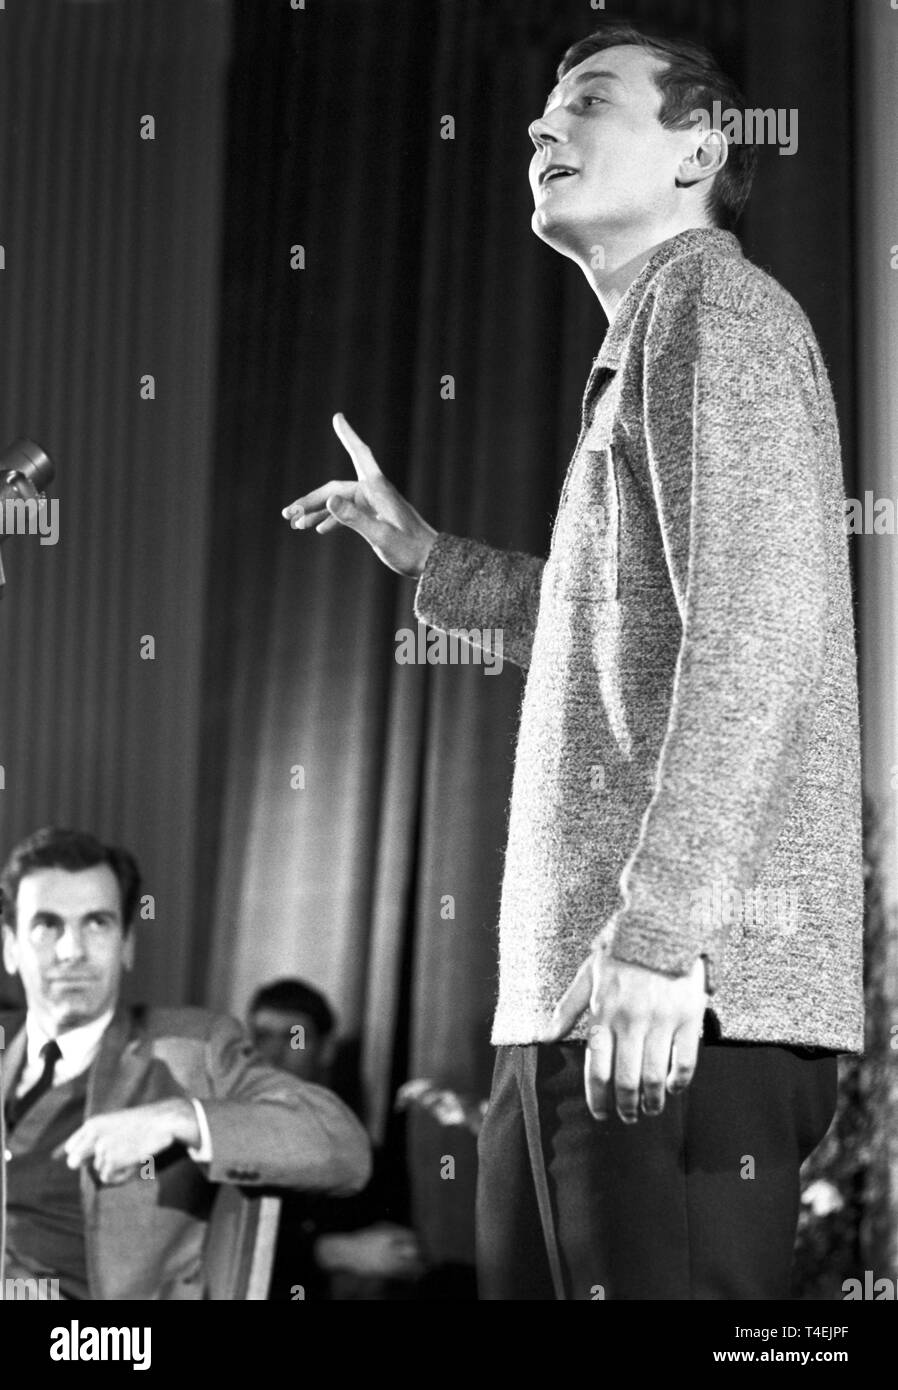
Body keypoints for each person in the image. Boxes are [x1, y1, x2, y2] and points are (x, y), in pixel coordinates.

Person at [282, 23, 863, 1300]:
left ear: (699, 149)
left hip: (671, 1001)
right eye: (539, 115)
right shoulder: (655, 334)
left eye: (589, 103)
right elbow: (610, 622)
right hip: (593, 998)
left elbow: (753, 631)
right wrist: (426, 558)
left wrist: (658, 940)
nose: (543, 131)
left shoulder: (715, 308)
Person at [0, 827, 371, 1300]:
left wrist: (180, 1118)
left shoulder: (194, 1050)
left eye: (97, 923)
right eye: (47, 924)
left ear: (128, 943)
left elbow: (342, 1147)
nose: (72, 951)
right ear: (11, 946)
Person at [247, 977, 423, 1299]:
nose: (272, 1055)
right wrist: (333, 1252)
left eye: (293, 1038)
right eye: (262, 1037)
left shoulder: (371, 1161)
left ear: (326, 1049)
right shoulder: (223, 1145)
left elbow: (396, 1258)